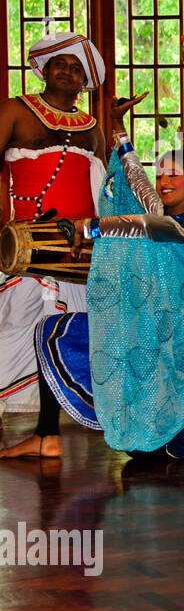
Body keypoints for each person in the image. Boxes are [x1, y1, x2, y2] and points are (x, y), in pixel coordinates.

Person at [1, 137, 184, 460]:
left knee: (161, 448)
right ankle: (46, 434)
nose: (163, 182)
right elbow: (140, 187)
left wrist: (90, 227)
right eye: (161, 174)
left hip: (166, 350)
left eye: (173, 175)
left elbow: (143, 224)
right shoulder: (159, 212)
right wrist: (122, 141)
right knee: (54, 333)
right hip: (134, 335)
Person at [0, 32, 144, 425]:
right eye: (59, 63)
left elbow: (106, 188)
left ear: (85, 81)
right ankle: (14, 407)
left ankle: (63, 412)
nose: (67, 70)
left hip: (80, 248)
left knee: (74, 328)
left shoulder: (94, 128)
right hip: (26, 239)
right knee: (17, 322)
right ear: (43, 69)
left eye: (76, 67)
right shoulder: (15, 110)